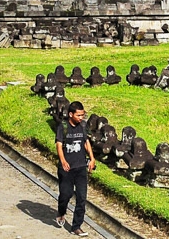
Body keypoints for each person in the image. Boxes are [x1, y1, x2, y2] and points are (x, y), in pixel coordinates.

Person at [55, 101, 96, 236]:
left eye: (83, 115)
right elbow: (59, 145)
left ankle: (76, 226)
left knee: (81, 197)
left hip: (80, 167)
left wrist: (92, 158)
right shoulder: (63, 126)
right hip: (66, 168)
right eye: (78, 115)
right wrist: (63, 161)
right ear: (71, 114)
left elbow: (86, 142)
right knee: (66, 194)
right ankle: (61, 212)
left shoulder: (83, 126)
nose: (81, 118)